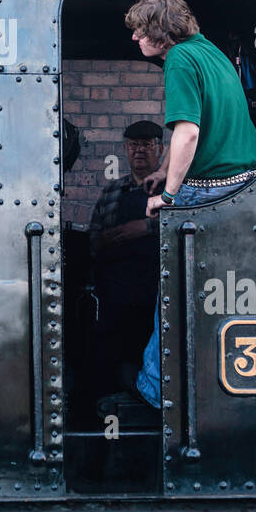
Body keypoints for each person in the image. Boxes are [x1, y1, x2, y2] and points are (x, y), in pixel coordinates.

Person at [126, 0, 256, 409]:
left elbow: (188, 132)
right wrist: (161, 171)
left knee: (172, 294)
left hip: (210, 187)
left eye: (138, 29)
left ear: (159, 31)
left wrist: (167, 195)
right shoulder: (210, 52)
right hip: (242, 180)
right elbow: (186, 131)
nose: (134, 38)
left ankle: (154, 391)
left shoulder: (180, 61)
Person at [89, 122, 165, 394]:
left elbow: (185, 227)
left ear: (161, 148)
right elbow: (93, 240)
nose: (139, 151)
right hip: (116, 295)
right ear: (125, 149)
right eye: (134, 145)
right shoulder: (111, 191)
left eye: (146, 144)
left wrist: (144, 228)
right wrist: (105, 239)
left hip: (156, 293)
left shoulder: (171, 188)